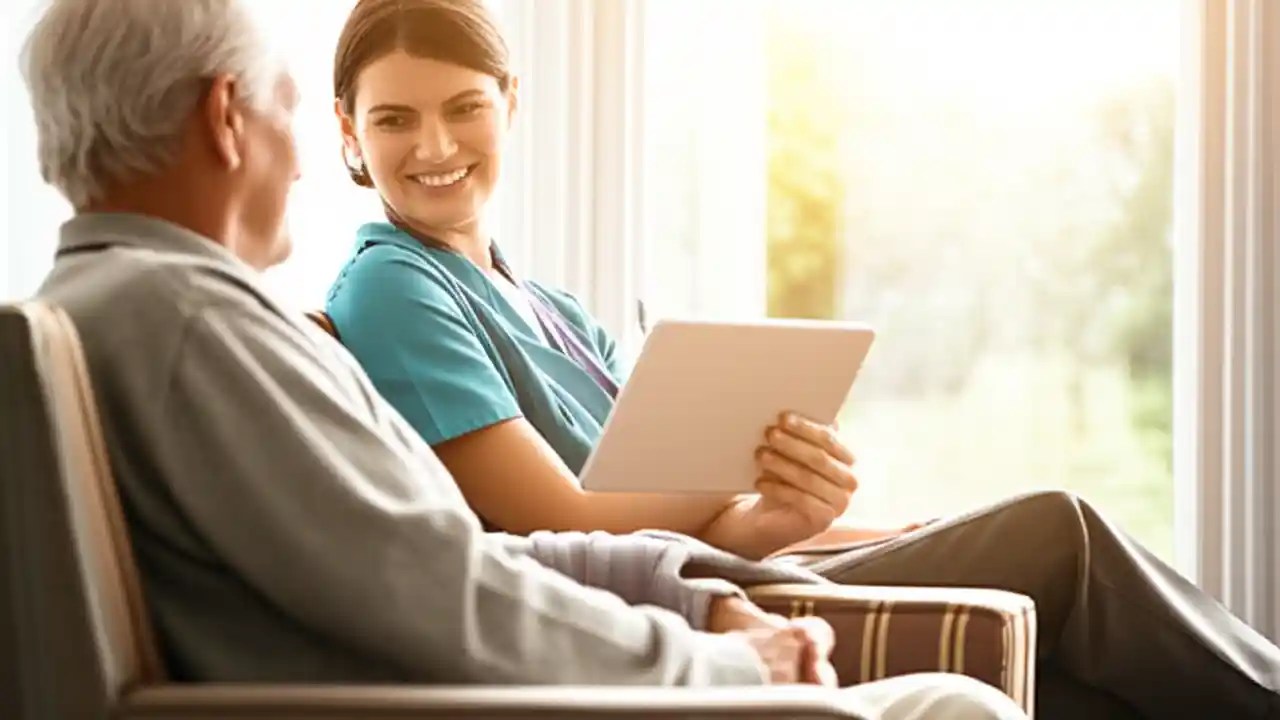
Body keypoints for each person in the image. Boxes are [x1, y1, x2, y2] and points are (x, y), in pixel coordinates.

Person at [18, 1, 1030, 719]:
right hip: (466, 700)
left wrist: (695, 596)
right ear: (226, 118)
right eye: (290, 106)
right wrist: (722, 663)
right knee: (957, 706)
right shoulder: (196, 325)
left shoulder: (121, 311)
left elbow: (430, 565)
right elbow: (435, 589)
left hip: (461, 681)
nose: (302, 164)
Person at [322, 1, 1280, 719]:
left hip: (716, 569)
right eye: (394, 119)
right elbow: (560, 522)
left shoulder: (553, 306)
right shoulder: (393, 287)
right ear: (348, 131)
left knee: (1088, 679)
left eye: (464, 107)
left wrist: (786, 517)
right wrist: (736, 468)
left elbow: (671, 514)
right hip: (669, 613)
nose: (434, 145)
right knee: (1058, 533)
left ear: (510, 103)